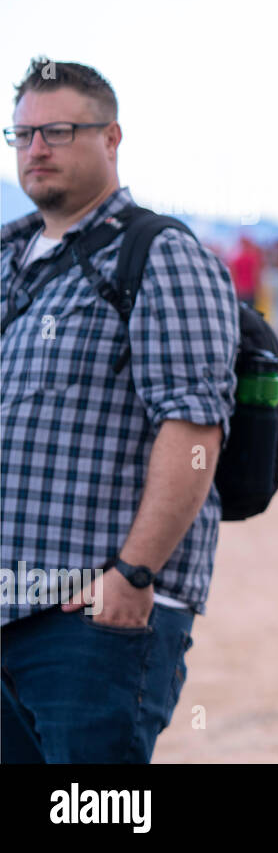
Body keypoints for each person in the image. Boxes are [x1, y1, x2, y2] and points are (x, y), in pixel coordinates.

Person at [1, 58, 240, 762]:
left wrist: (135, 574)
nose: (35, 149)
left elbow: (195, 426)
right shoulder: (11, 258)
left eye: (58, 131)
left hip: (93, 615)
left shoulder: (160, 253)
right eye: (20, 135)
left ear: (111, 138)